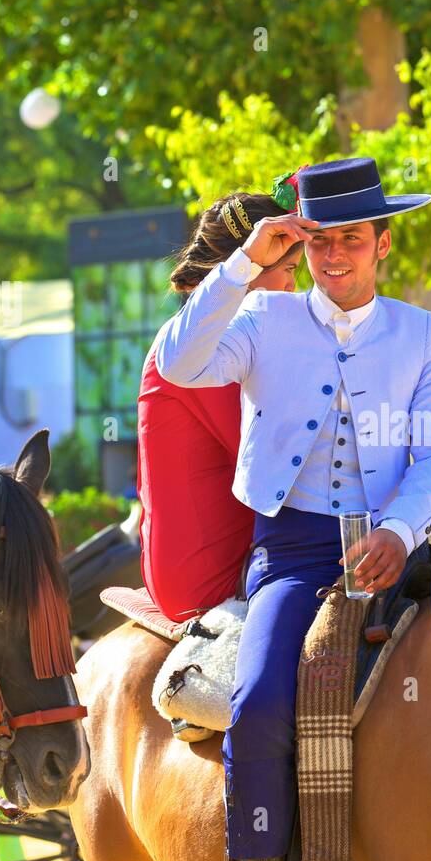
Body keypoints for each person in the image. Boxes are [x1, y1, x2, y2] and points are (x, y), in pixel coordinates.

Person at [156, 156, 431, 861]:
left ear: (382, 245)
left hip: (403, 549)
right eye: (318, 242)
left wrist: (402, 530)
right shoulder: (260, 316)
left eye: (350, 242)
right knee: (259, 701)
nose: (333, 258)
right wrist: (247, 261)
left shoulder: (419, 333)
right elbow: (179, 362)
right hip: (293, 553)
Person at [137, 191, 303, 622]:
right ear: (242, 267)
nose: (292, 285)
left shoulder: (211, 334)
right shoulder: (212, 345)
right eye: (287, 269)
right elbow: (276, 463)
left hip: (239, 551)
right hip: (207, 575)